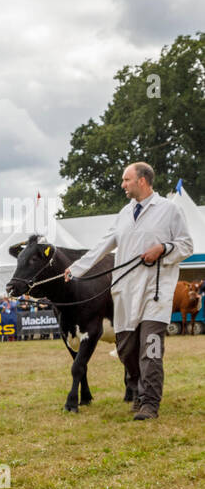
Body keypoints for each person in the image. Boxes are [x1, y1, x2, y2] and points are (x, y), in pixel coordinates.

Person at [64, 162, 193, 419]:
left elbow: (186, 245)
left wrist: (163, 249)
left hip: (155, 293)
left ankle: (149, 403)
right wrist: (76, 269)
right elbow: (104, 244)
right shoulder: (124, 213)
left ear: (142, 181)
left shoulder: (169, 210)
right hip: (124, 293)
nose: (122, 184)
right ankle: (136, 387)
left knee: (151, 348)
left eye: (126, 179)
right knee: (125, 349)